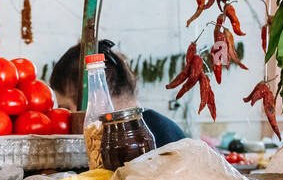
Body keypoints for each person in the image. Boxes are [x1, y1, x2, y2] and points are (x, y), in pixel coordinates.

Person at [48, 39, 186, 147]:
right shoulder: (158, 125)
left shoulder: (145, 138)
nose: (65, 117)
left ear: (98, 95)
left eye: (66, 109)